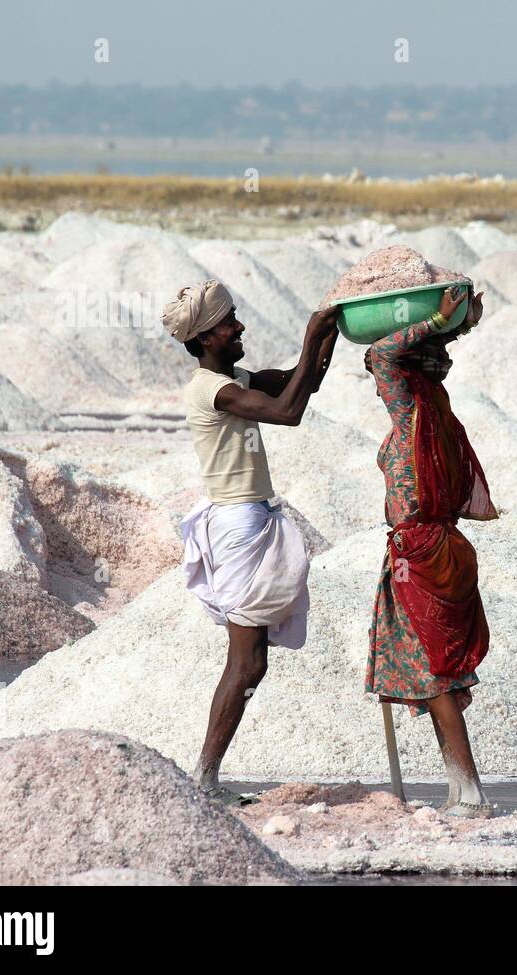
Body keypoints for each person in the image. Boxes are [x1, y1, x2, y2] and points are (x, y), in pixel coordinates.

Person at [164, 280, 340, 805]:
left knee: (252, 661)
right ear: (203, 338)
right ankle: (205, 779)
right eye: (228, 323)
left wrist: (333, 328)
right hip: (238, 525)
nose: (239, 328)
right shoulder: (210, 390)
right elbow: (288, 411)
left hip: (251, 517)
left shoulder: (236, 378)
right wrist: (313, 333)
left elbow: (302, 384)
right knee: (246, 661)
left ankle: (207, 777)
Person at [363, 284, 498, 818]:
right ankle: (457, 788)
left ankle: (469, 792)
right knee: (432, 673)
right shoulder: (435, 410)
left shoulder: (414, 408)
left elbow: (379, 353)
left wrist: (438, 320)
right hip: (429, 550)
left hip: (423, 554)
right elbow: (385, 357)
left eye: (382, 384)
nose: (376, 387)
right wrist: (453, 324)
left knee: (435, 674)